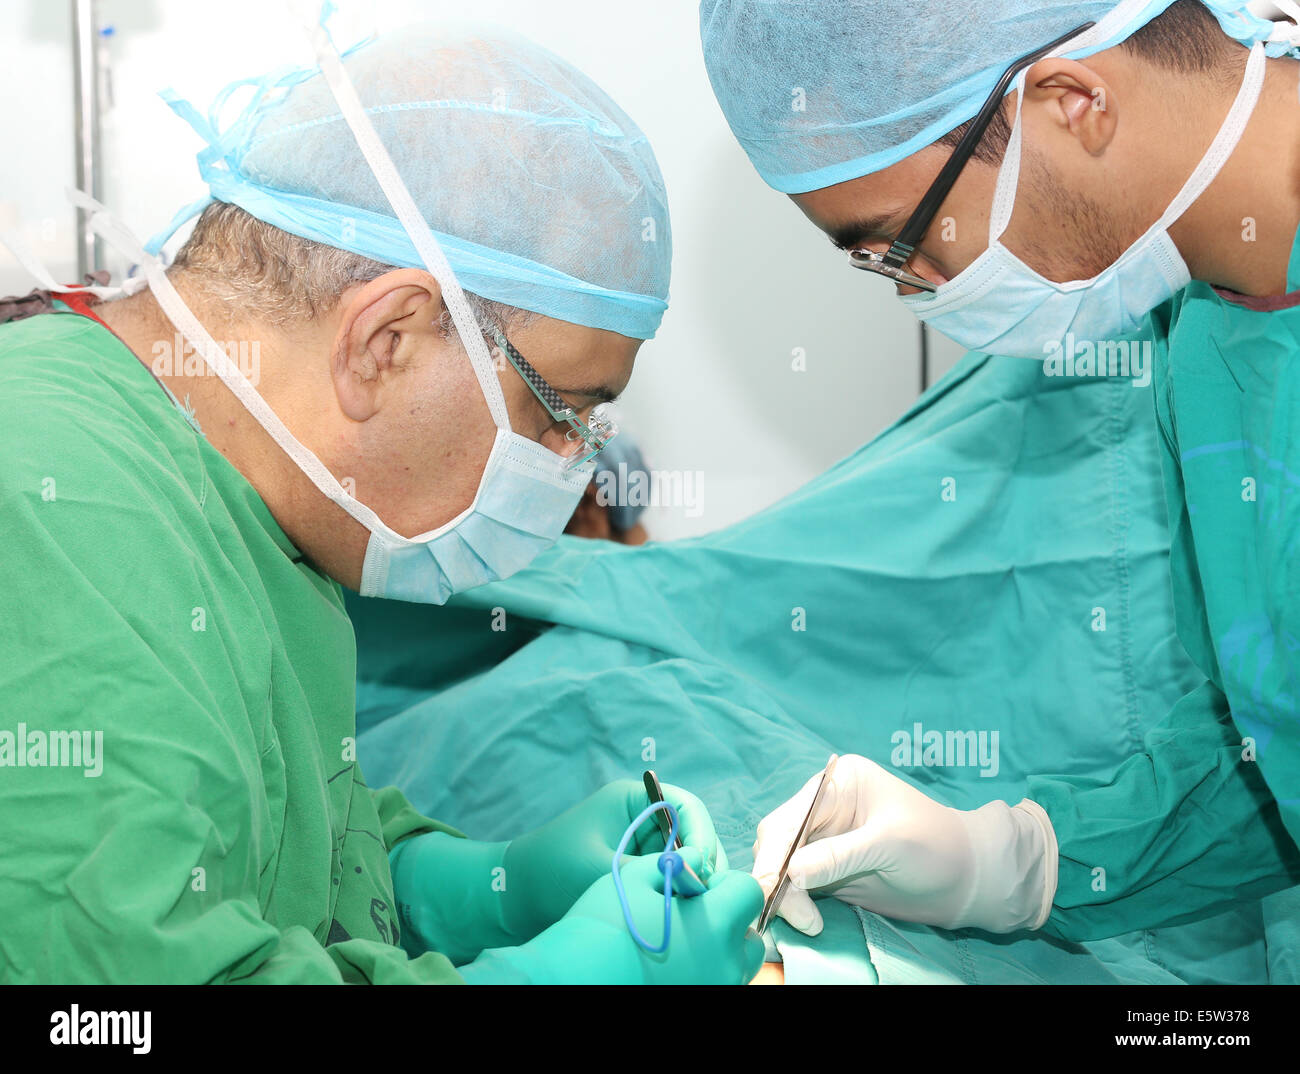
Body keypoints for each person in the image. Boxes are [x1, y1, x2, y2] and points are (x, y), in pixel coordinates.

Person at [0, 21, 762, 984]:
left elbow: (272, 846)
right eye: (561, 411)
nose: (572, 464)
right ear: (387, 339)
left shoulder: (258, 511)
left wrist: (468, 885)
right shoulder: (55, 501)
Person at [700, 0, 1300, 940]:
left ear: (1073, 102)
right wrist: (1017, 863)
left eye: (900, 247)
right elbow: (1275, 736)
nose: (921, 293)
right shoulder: (1212, 328)